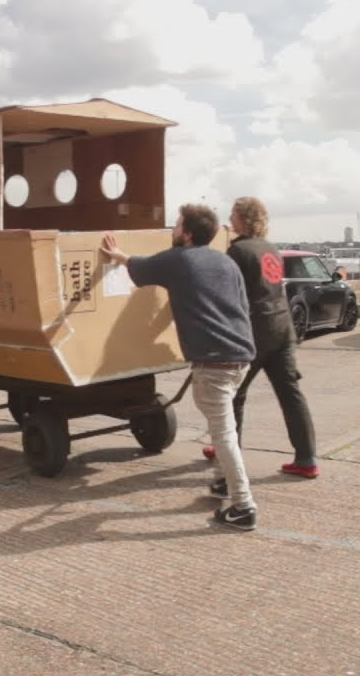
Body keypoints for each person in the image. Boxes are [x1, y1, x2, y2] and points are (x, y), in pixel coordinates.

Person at [101, 205, 259, 531]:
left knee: (223, 431)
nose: (172, 230)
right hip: (240, 355)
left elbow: (140, 267)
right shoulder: (225, 261)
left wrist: (117, 255)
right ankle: (222, 482)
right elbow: (243, 306)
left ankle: (243, 505)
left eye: (176, 225)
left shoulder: (180, 259)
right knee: (217, 418)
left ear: (187, 234)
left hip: (214, 360)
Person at [207, 197, 320, 478]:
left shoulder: (238, 251)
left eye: (232, 214)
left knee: (233, 394)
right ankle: (306, 459)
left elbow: (227, 295)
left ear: (242, 219)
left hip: (254, 332)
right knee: (290, 394)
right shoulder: (270, 249)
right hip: (282, 329)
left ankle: (229, 451)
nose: (229, 219)